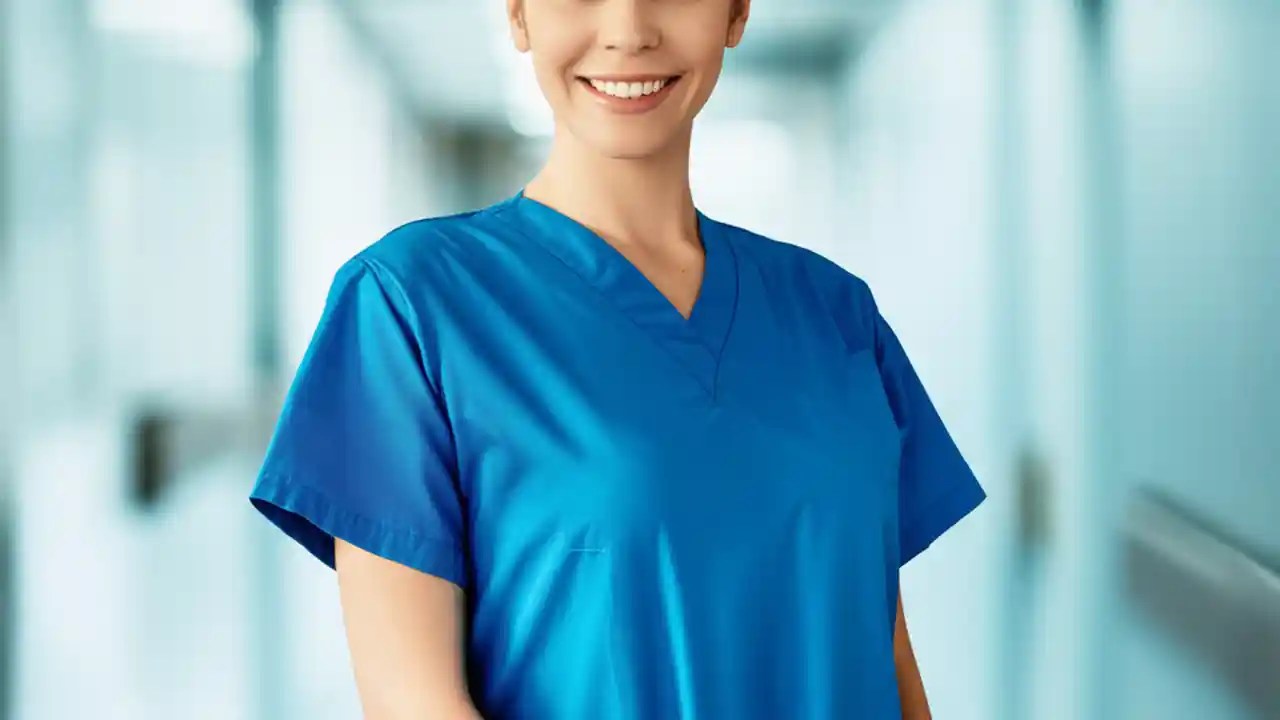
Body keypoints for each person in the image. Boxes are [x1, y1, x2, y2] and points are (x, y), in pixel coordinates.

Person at [247, 0, 987, 718]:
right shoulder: (411, 303)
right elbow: (413, 703)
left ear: (736, 11)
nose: (628, 29)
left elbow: (882, 652)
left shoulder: (833, 311)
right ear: (517, 13)